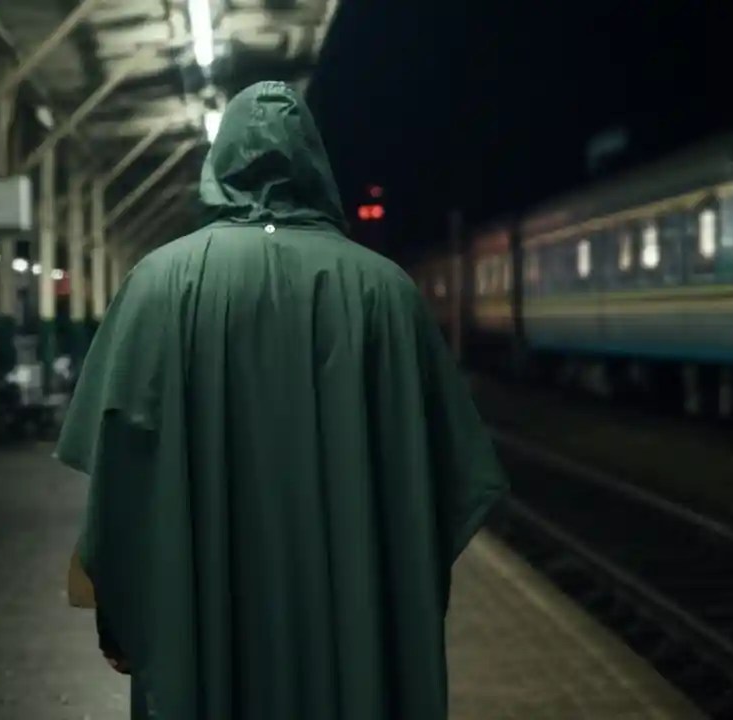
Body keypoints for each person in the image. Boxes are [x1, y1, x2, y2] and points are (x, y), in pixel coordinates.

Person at [56, 80, 509, 720]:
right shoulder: (387, 292)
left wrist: (119, 618)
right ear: (316, 163)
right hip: (350, 648)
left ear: (221, 162)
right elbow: (449, 481)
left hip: (202, 639)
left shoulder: (157, 285)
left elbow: (120, 474)